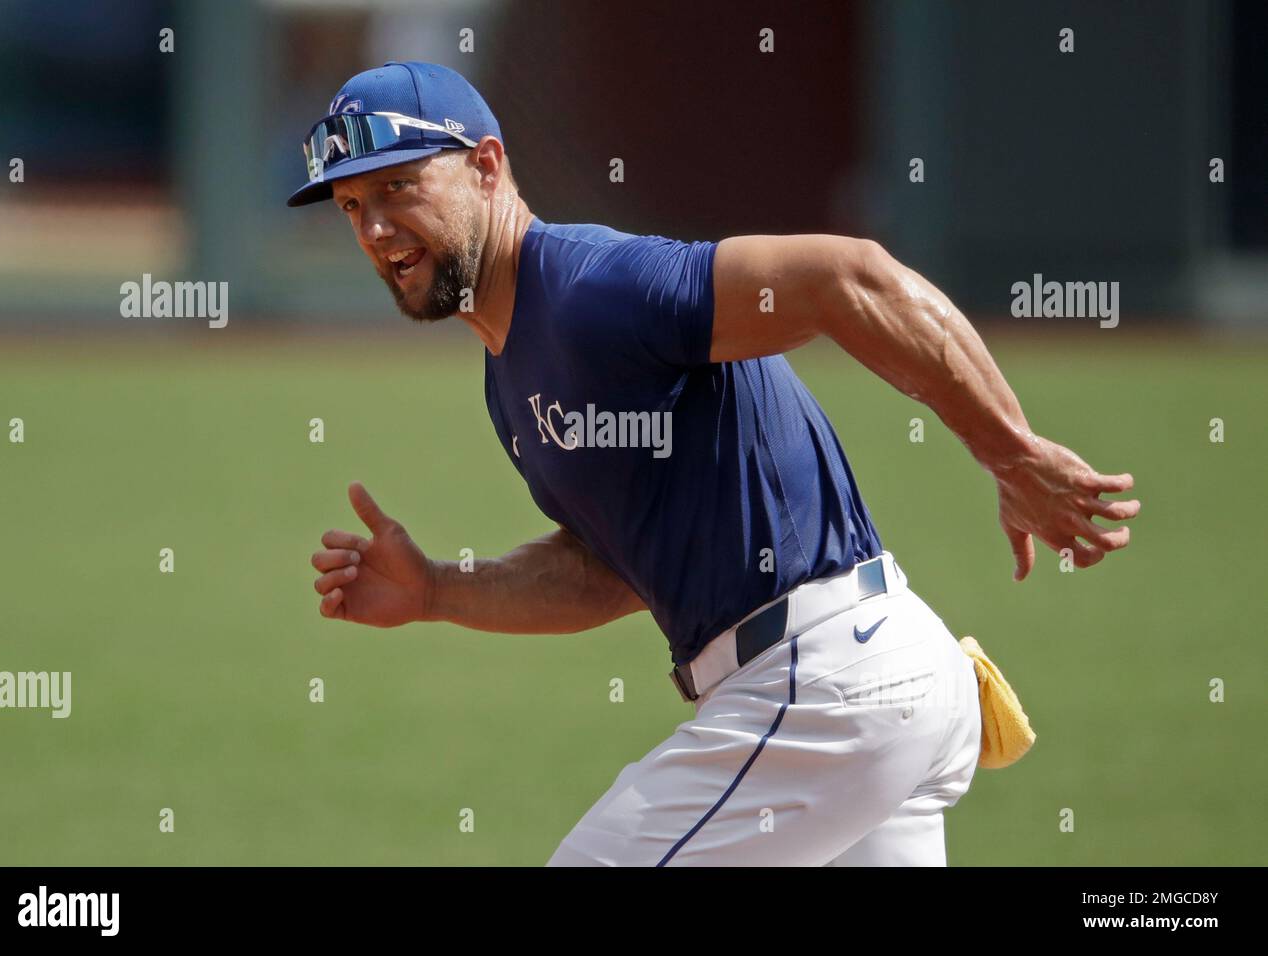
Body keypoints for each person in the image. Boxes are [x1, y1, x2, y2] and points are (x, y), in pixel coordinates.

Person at [294, 61, 1140, 866]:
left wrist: (1012, 452)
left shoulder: (596, 288)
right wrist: (442, 590)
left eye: (400, 187)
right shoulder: (508, 375)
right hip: (866, 691)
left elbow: (850, 276)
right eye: (351, 204)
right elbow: (613, 571)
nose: (374, 228)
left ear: (486, 167)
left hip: (823, 686)